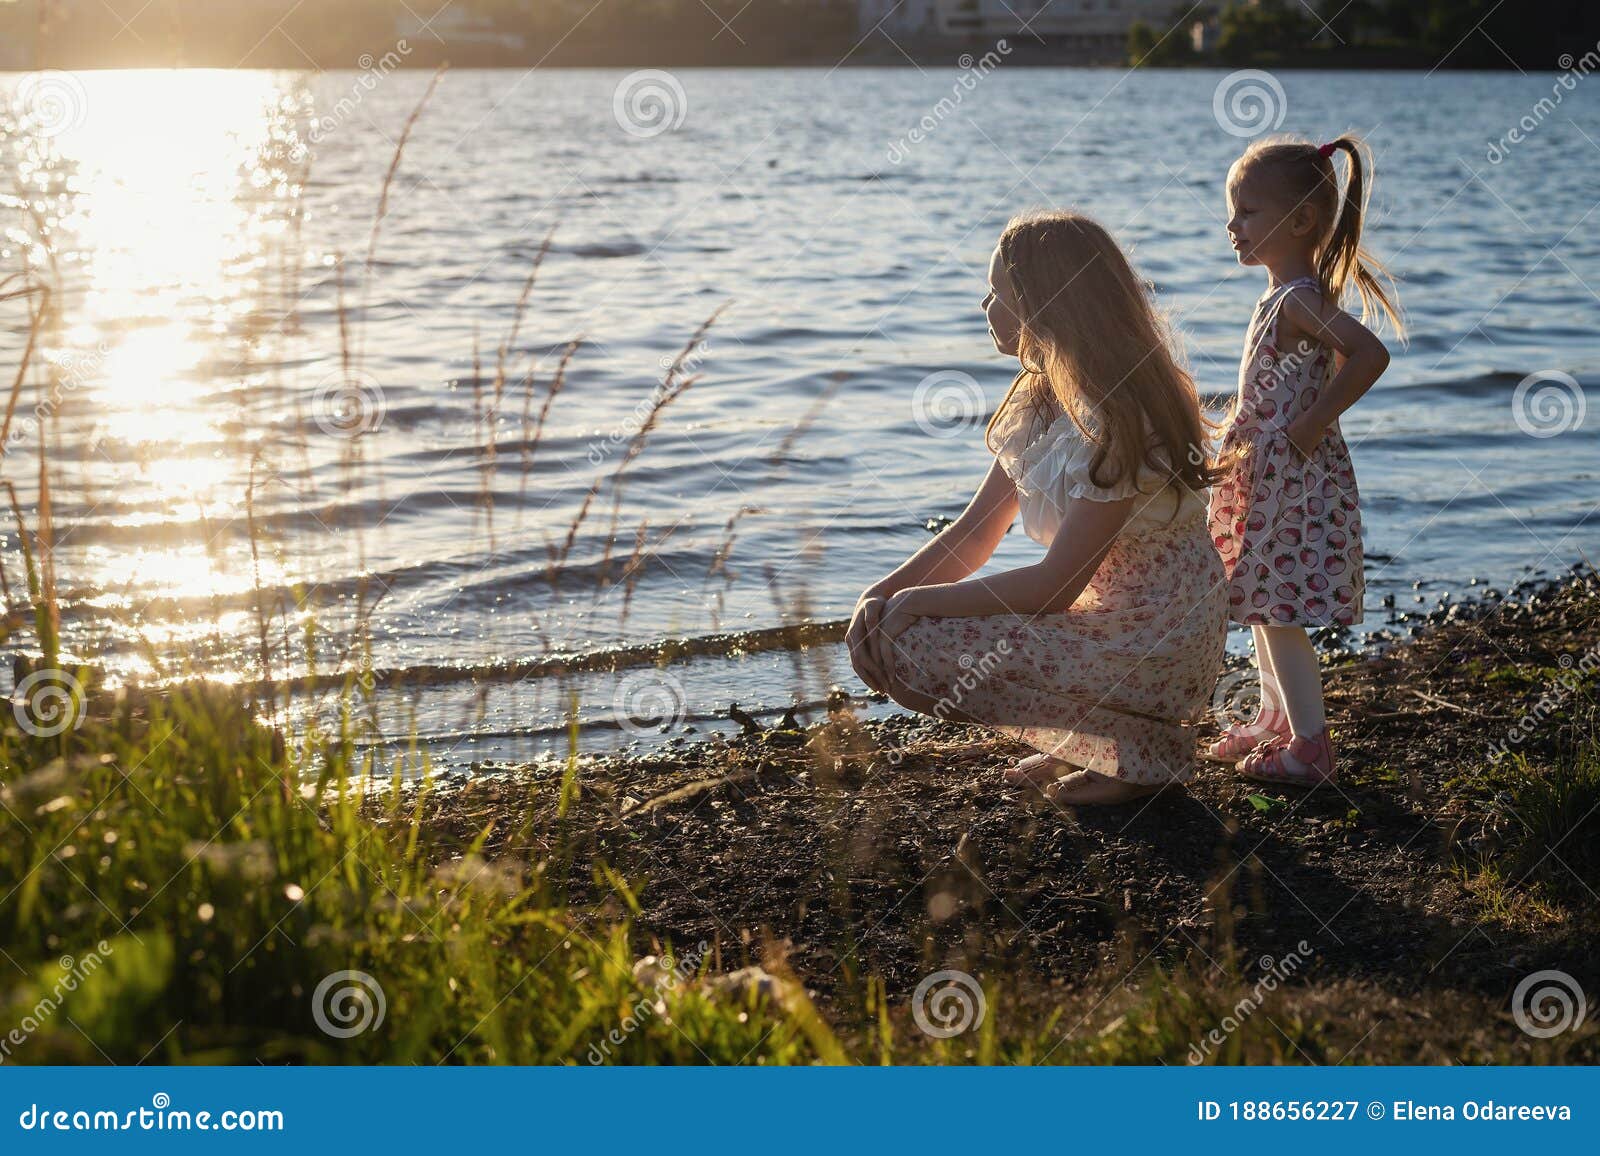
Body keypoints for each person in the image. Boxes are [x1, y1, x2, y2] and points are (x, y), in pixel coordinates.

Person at [847, 210, 1228, 806]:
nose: (984, 307)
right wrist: (880, 595)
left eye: (997, 293)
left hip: (1158, 637)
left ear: (1046, 307)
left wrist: (918, 605)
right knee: (894, 632)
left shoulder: (1122, 414)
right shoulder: (1038, 395)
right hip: (1101, 621)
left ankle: (1139, 755)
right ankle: (1097, 739)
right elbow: (972, 536)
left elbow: (1054, 586)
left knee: (913, 647)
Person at [1206, 135, 1403, 785]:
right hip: (1265, 473)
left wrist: (1311, 423)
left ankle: (1312, 749)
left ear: (1301, 222)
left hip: (1290, 478)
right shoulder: (1278, 296)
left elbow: (1369, 354)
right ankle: (1276, 718)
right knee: (1258, 601)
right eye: (1233, 211)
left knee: (1278, 610)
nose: (1233, 225)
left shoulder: (1297, 298)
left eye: (1248, 212)